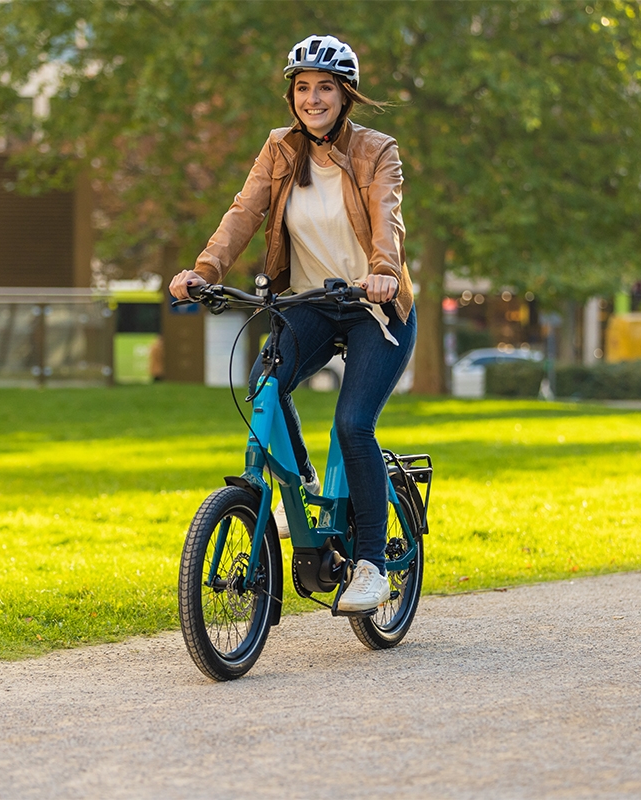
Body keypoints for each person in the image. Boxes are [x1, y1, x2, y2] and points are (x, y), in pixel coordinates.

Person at [169, 34, 417, 613]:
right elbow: (243, 211)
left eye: (324, 88)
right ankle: (303, 487)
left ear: (345, 95)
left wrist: (384, 271)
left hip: (373, 307)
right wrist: (204, 269)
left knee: (354, 425)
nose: (312, 98)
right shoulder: (280, 150)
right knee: (265, 388)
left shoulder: (377, 151)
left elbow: (388, 218)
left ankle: (372, 566)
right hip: (306, 300)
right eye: (302, 88)